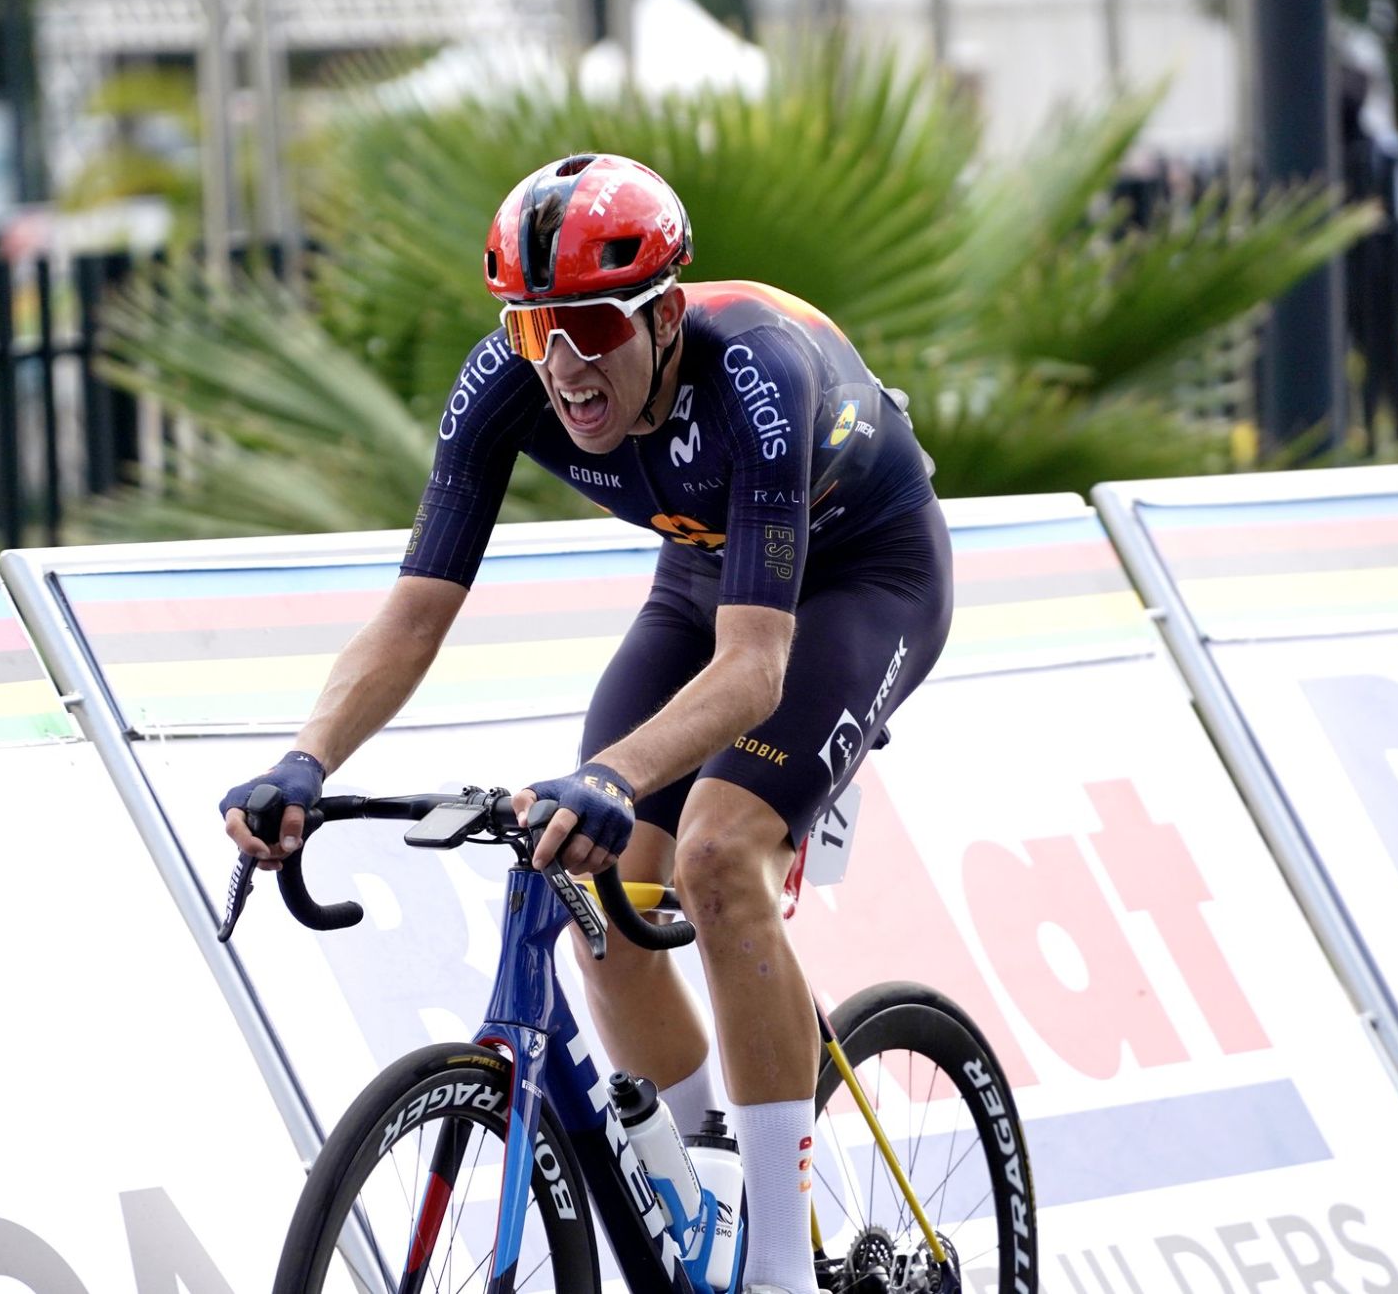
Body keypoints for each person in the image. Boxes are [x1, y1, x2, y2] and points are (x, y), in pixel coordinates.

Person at [220, 152, 953, 1294]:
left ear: (661, 315)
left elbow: (755, 670)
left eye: (591, 326)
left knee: (713, 851)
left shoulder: (753, 370)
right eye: (531, 328)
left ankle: (776, 1272)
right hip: (709, 571)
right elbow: (414, 614)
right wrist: (305, 758)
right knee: (596, 884)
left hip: (863, 574)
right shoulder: (508, 381)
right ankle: (704, 1185)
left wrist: (611, 770)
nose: (562, 365)